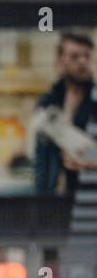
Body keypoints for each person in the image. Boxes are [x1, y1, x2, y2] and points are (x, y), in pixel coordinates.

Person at [34, 31, 97, 197]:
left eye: (87, 56)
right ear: (60, 61)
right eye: (75, 57)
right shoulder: (47, 103)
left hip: (88, 200)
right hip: (52, 201)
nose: (82, 62)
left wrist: (90, 160)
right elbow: (41, 158)